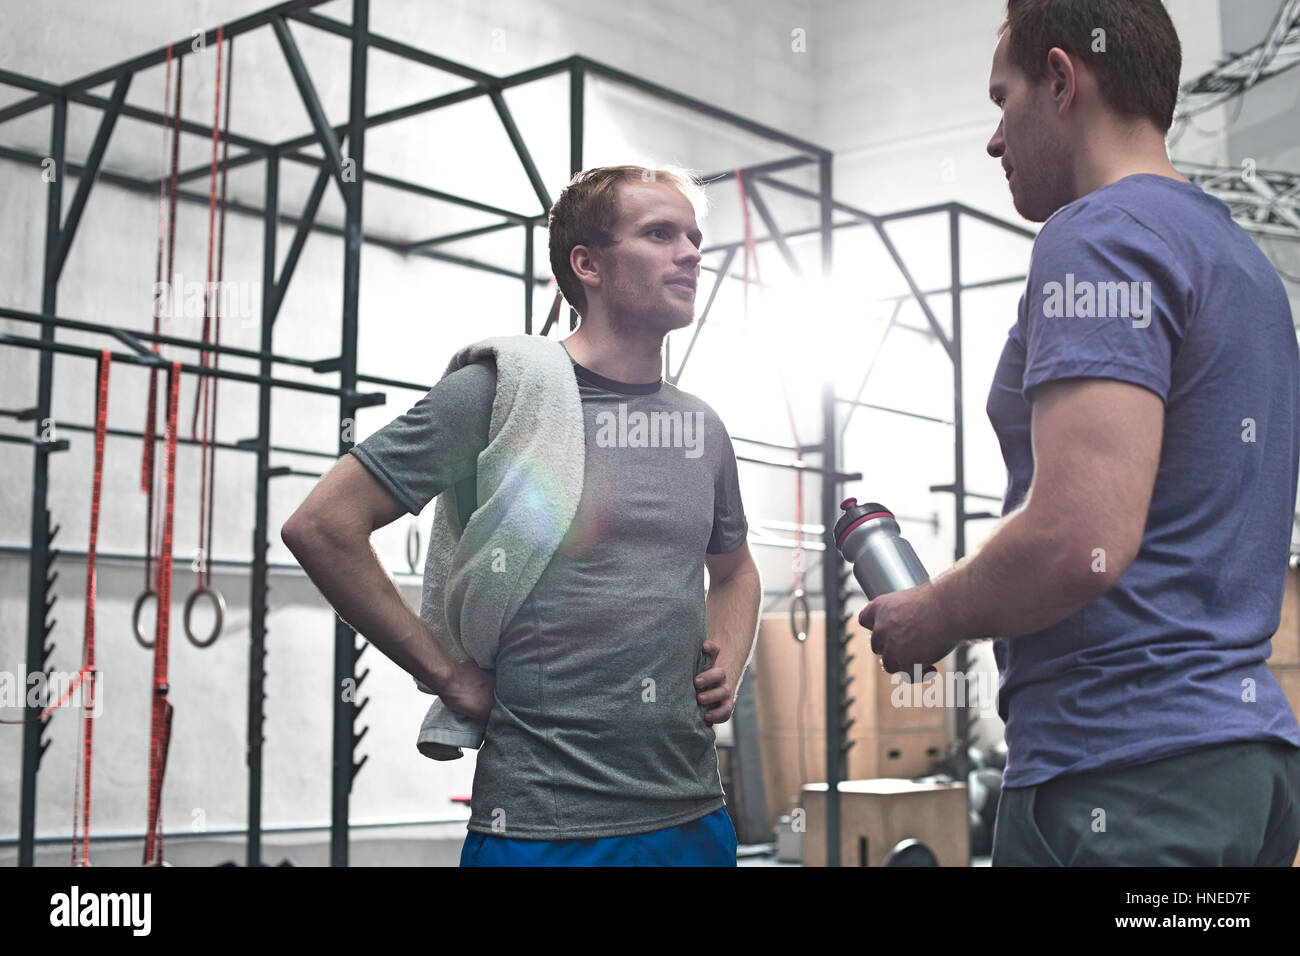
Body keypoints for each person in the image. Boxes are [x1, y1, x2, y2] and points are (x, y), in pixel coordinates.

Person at [860, 0, 1300, 865]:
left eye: (1002, 99)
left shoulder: (1098, 236)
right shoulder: (1244, 264)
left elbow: (1079, 537)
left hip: (1126, 773)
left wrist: (932, 612)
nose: (994, 139)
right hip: (1236, 765)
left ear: (1062, 79)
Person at [281, 165, 761, 867]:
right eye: (660, 234)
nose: (690, 252)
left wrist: (731, 652)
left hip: (692, 816)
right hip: (541, 825)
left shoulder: (702, 428)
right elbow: (322, 526)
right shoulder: (500, 394)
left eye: (693, 236)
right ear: (586, 264)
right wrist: (444, 673)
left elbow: (736, 568)